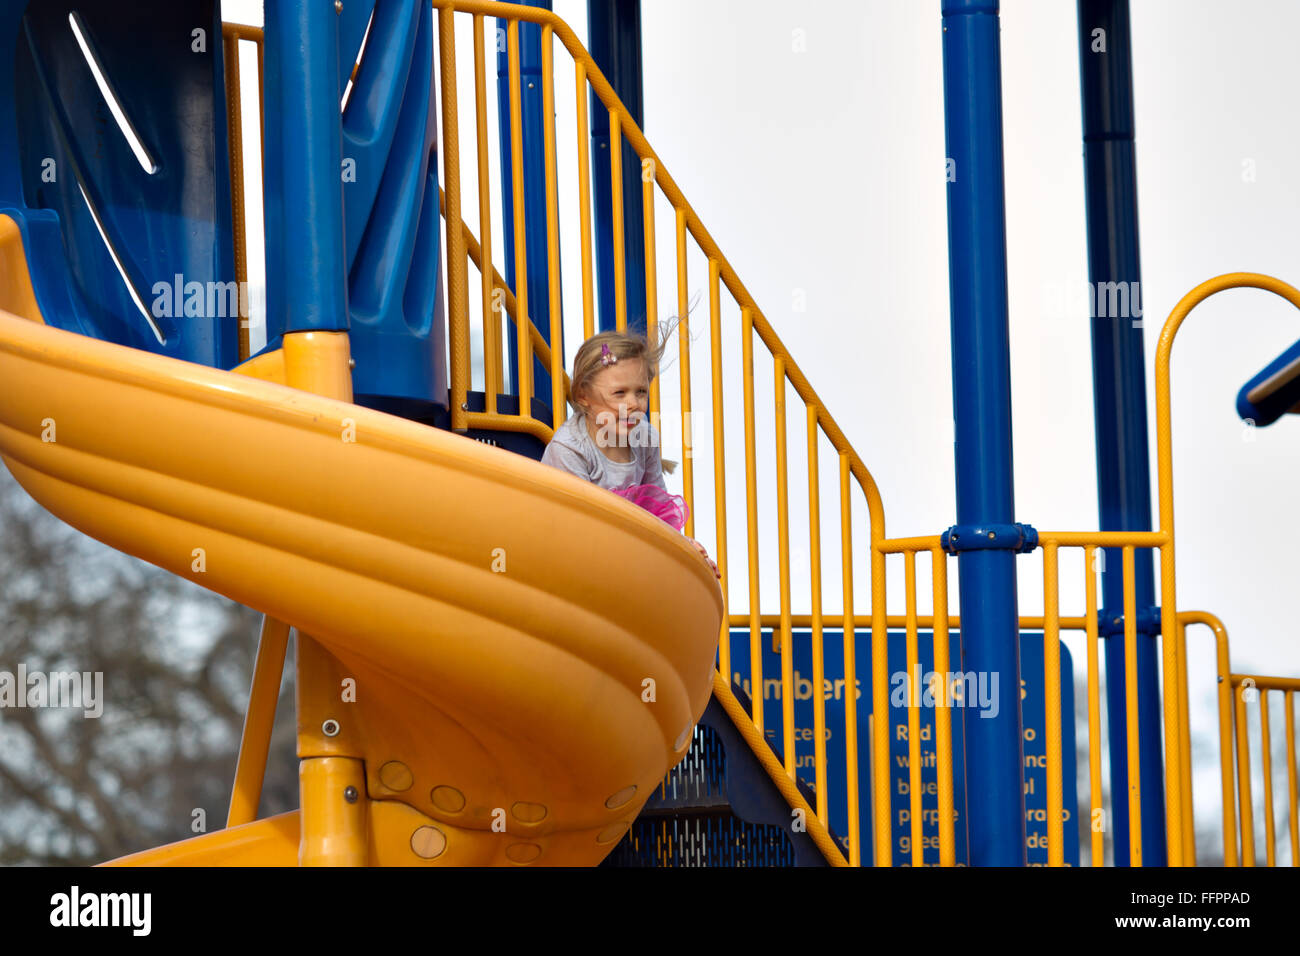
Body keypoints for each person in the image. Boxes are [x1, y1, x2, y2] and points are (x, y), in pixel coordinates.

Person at [541, 326, 721, 580]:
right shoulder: (569, 449)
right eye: (619, 393)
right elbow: (577, 528)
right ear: (583, 395)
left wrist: (684, 549)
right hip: (571, 557)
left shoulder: (645, 438)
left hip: (621, 552)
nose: (634, 403)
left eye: (641, 392)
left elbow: (658, 514)